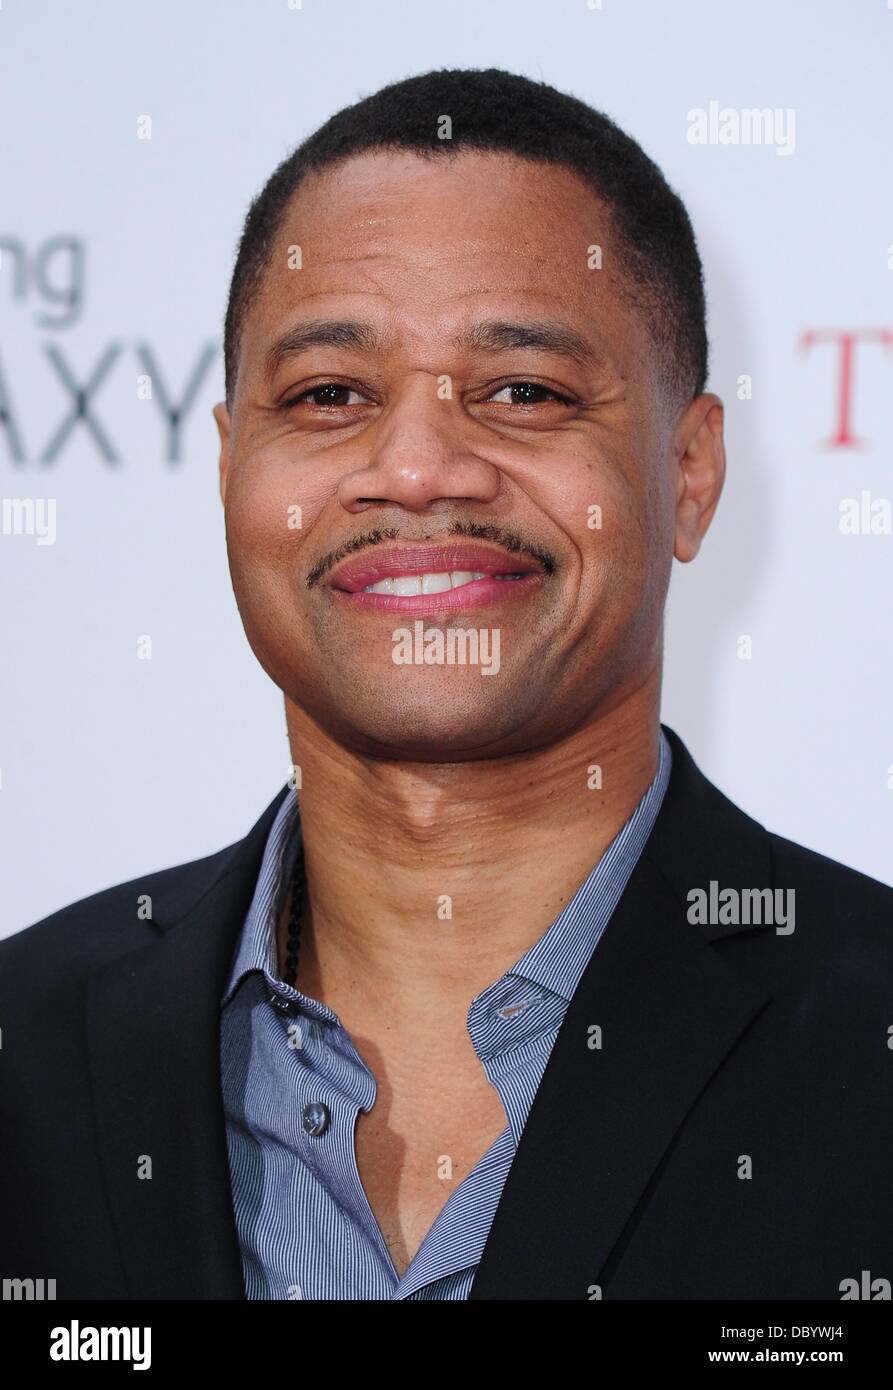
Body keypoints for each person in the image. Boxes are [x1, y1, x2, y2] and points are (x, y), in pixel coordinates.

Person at [2, 67, 891, 1302]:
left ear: (688, 476)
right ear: (227, 469)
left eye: (521, 392)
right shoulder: (27, 1050)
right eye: (329, 396)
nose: (415, 468)